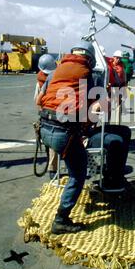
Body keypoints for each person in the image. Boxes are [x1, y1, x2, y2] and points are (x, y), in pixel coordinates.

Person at [36, 41, 96, 234]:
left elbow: (39, 101)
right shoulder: (88, 75)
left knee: (70, 161)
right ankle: (61, 220)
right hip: (64, 133)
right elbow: (94, 109)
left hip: (44, 129)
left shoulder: (54, 72)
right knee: (78, 174)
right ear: (89, 58)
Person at [35, 54, 58, 179]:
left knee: (52, 144)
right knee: (53, 145)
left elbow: (37, 101)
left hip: (47, 114)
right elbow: (38, 101)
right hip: (51, 115)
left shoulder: (41, 80)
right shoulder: (42, 81)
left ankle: (53, 169)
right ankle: (53, 169)